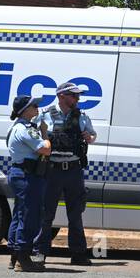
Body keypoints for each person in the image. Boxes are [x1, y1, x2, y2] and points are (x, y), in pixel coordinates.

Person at [37, 82, 97, 266]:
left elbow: (93, 136)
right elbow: (35, 138)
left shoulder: (82, 116)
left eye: (78, 96)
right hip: (52, 170)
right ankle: (39, 252)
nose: (78, 99)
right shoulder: (45, 115)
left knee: (75, 213)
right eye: (74, 95)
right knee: (46, 214)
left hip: (73, 170)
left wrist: (89, 137)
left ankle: (78, 254)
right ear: (61, 96)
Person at [5, 95, 51, 272]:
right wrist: (45, 133)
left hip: (21, 173)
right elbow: (45, 149)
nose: (37, 107)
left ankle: (15, 255)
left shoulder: (16, 127)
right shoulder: (25, 129)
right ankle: (23, 259)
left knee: (20, 214)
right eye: (34, 105)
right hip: (27, 176)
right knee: (29, 216)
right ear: (25, 110)